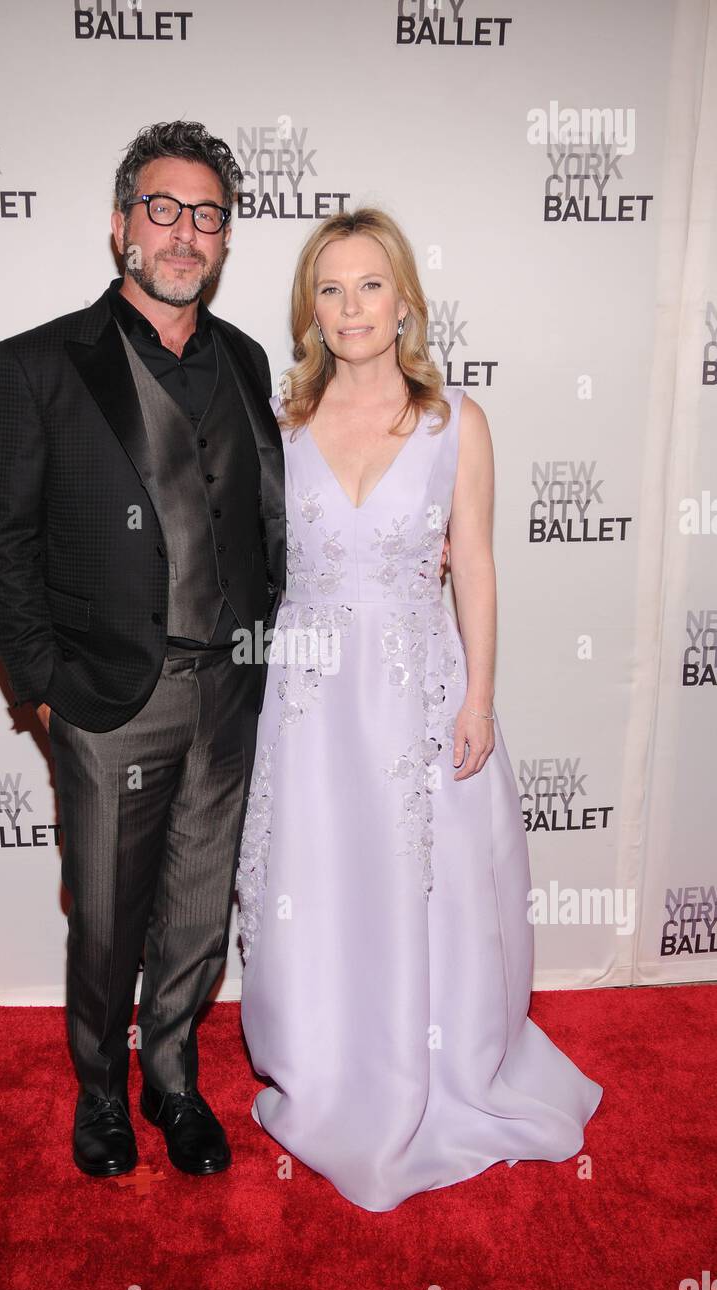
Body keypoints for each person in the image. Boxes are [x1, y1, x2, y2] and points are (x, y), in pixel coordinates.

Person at [235, 207, 603, 1213]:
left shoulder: (455, 423)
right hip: (309, 696)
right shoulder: (278, 425)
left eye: (368, 285)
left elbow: (474, 565)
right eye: (329, 287)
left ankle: (435, 1068)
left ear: (403, 300)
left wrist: (480, 693)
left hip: (414, 687)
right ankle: (327, 1064)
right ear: (309, 310)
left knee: (421, 885)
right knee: (321, 878)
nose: (350, 306)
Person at [0, 121, 286, 1179]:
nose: (183, 232)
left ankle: (173, 1081)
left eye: (205, 214)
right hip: (109, 697)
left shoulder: (245, 361)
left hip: (225, 689)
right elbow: (3, 540)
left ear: (224, 237)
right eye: (162, 208)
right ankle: (99, 1090)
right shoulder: (39, 364)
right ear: (121, 227)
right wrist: (43, 690)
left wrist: (258, 651)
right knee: (105, 921)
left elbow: (265, 528)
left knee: (198, 909)